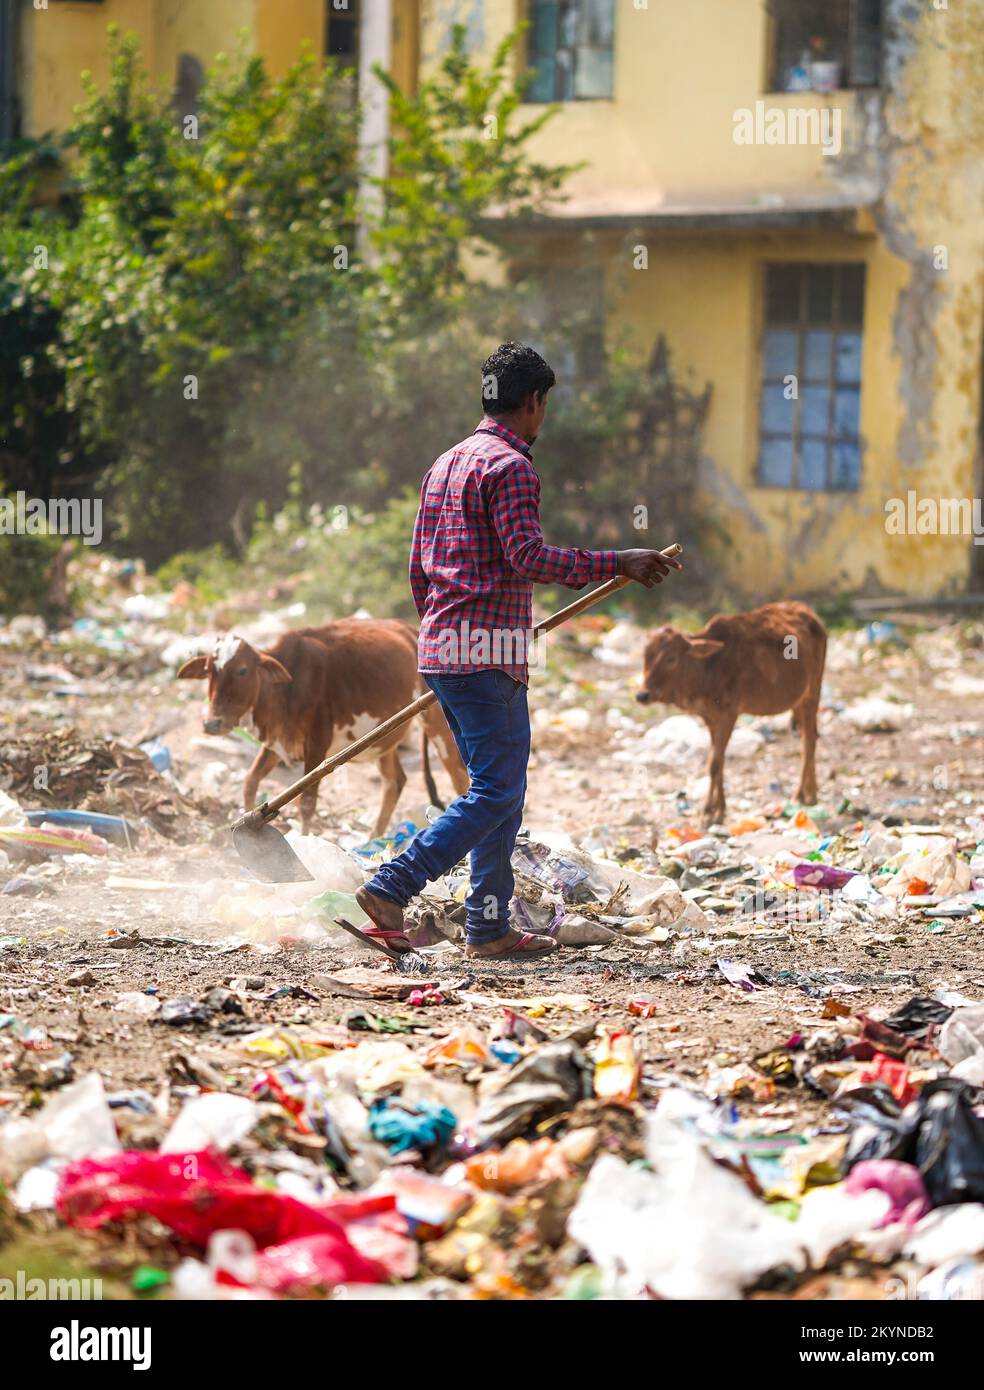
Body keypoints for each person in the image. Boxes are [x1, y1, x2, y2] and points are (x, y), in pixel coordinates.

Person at [355, 342, 681, 959]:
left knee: (497, 787)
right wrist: (621, 561)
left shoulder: (445, 463)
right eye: (544, 405)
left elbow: (418, 569)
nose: (543, 417)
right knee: (497, 793)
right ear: (533, 402)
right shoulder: (511, 468)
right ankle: (391, 884)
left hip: (444, 648)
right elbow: (528, 556)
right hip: (486, 654)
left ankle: (487, 927)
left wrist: (446, 628)